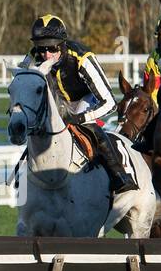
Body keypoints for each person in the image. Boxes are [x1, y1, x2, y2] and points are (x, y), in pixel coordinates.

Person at [21, 14, 137, 194]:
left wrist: (80, 117)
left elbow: (110, 102)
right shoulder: (34, 56)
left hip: (85, 99)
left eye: (51, 48)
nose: (46, 55)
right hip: (58, 102)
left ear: (61, 44)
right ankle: (25, 174)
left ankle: (119, 175)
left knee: (86, 125)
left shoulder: (82, 57)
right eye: (41, 48)